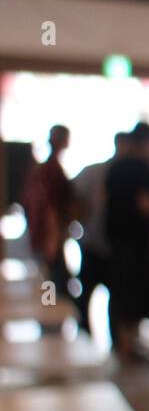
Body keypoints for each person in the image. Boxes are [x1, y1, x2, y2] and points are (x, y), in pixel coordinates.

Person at [104, 122, 149, 360]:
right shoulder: (144, 169)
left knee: (119, 291)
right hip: (137, 241)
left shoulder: (114, 168)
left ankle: (121, 343)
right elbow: (146, 205)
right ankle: (130, 347)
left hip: (115, 238)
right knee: (135, 293)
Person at [71, 131, 129, 335]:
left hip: (110, 245)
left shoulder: (101, 172)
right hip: (95, 243)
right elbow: (73, 201)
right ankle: (84, 335)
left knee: (114, 297)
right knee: (86, 293)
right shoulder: (96, 172)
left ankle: (104, 339)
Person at [21, 125, 73, 292]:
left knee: (49, 284)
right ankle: (50, 316)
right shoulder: (51, 170)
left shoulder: (43, 169)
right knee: (51, 287)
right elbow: (50, 208)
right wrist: (52, 237)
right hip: (49, 237)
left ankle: (49, 313)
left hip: (45, 235)